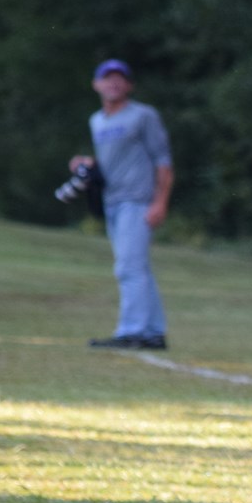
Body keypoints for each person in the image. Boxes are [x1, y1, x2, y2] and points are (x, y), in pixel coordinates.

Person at [71, 59, 174, 350]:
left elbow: (163, 161)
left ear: (129, 85)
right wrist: (85, 163)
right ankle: (153, 332)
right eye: (107, 78)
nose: (113, 83)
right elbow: (110, 162)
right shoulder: (97, 121)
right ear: (96, 84)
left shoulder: (143, 116)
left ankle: (132, 331)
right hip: (112, 202)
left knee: (128, 268)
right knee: (138, 267)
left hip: (138, 201)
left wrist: (160, 202)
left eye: (120, 78)